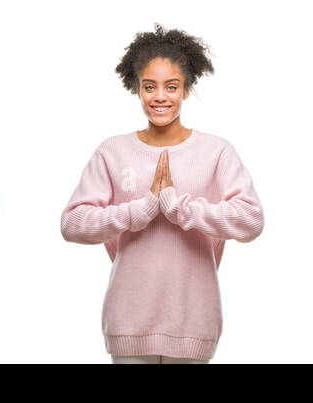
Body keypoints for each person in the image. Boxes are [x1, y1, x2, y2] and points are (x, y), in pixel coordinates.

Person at [61, 25, 264, 364]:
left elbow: (251, 220)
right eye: (149, 86)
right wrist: (140, 210)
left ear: (186, 89)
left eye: (171, 87)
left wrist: (177, 207)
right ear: (136, 88)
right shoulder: (113, 151)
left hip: (193, 319)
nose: (160, 97)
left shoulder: (216, 151)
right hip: (129, 318)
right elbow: (72, 223)